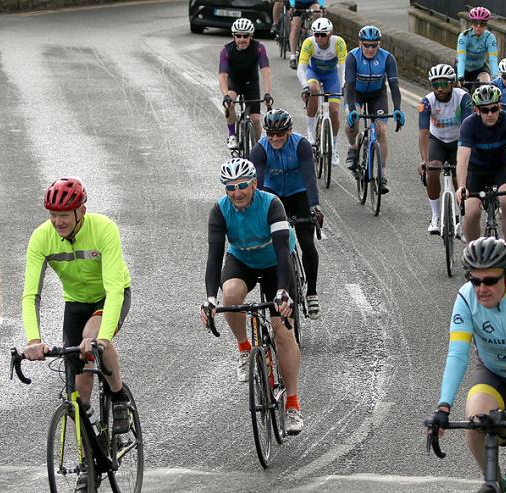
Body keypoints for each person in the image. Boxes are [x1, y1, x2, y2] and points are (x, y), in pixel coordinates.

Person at [424, 237, 506, 493]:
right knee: (475, 424)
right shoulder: (466, 298)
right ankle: (498, 484)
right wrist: (443, 407)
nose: (481, 288)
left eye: (489, 281)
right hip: (494, 373)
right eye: (475, 280)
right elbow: (457, 355)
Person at [21, 177, 133, 437]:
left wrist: (102, 338)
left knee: (91, 337)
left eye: (64, 215)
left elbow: (115, 289)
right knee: (77, 397)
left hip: (110, 295)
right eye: (52, 215)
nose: (58, 222)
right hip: (75, 303)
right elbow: (31, 295)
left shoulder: (103, 229)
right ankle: (89, 463)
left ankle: (118, 397)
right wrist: (33, 340)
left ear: (81, 211)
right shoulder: (41, 238)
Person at [200, 158, 304, 434]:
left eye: (243, 186)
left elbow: (283, 252)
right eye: (230, 188)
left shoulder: (271, 205)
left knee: (282, 331)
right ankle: (245, 349)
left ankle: (293, 404)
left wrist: (283, 292)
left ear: (255, 183)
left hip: (274, 263)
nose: (237, 193)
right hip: (242, 259)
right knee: (230, 295)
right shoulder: (220, 211)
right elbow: (214, 257)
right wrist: (210, 298)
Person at [251, 109, 324, 319]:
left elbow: (310, 177)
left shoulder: (301, 145)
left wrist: (314, 207)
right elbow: (259, 186)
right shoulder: (260, 150)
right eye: (271, 133)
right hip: (274, 196)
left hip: (299, 194)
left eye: (280, 133)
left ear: (289, 131)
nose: (275, 138)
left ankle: (311, 293)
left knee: (307, 243)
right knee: (277, 245)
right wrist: (260, 213)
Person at [456, 85, 506, 250]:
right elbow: (462, 158)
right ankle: (474, 253)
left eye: (494, 109)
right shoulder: (469, 124)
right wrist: (461, 187)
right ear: (477, 110)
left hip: (501, 167)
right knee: (471, 212)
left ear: (500, 107)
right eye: (485, 110)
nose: (490, 114)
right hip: (476, 169)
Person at [344, 25, 405, 194]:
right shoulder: (352, 57)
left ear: (379, 44)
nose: (370, 49)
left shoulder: (387, 58)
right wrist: (351, 109)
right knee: (353, 120)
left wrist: (398, 109)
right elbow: (349, 85)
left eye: (374, 45)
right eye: (366, 45)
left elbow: (394, 85)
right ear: (360, 43)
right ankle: (352, 147)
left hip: (377, 94)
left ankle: (382, 174)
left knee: (381, 130)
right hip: (355, 93)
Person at [418, 64, 472, 233]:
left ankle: (463, 219)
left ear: (453, 83)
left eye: (444, 84)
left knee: (460, 180)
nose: (440, 89)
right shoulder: (426, 102)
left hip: (459, 141)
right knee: (432, 171)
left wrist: (466, 158)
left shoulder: (464, 98)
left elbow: (467, 129)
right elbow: (424, 133)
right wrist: (424, 160)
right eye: (435, 85)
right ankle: (435, 217)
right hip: (438, 140)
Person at [296, 17, 347, 165]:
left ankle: (334, 146)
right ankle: (310, 130)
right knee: (313, 89)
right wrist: (305, 85)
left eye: (322, 35)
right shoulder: (309, 43)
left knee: (334, 111)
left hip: (332, 76)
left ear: (330, 34)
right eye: (316, 34)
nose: (319, 38)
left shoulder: (338, 42)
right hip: (314, 73)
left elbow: (343, 67)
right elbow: (301, 69)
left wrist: (344, 84)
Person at [219, 18, 273, 150]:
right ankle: (232, 135)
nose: (242, 39)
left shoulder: (259, 48)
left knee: (255, 119)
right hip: (234, 82)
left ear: (251, 36)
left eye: (245, 36)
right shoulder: (226, 50)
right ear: (234, 36)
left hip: (251, 83)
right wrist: (225, 95)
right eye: (238, 35)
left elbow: (265, 71)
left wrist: (267, 93)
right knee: (230, 101)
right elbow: (222, 76)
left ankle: (257, 146)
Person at [456, 6, 499, 84]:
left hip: (479, 68)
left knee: (486, 86)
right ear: (472, 23)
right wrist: (460, 76)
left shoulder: (490, 38)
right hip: (462, 68)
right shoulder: (464, 36)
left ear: (486, 25)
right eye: (476, 23)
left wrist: (496, 77)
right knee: (457, 90)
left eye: (482, 24)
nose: (478, 26)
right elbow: (461, 58)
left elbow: (493, 59)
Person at [287, 0, 325, 69]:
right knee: (295, 27)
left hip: (311, 2)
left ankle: (313, 32)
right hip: (298, 3)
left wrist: (322, 6)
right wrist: (292, 5)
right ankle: (293, 57)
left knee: (318, 14)